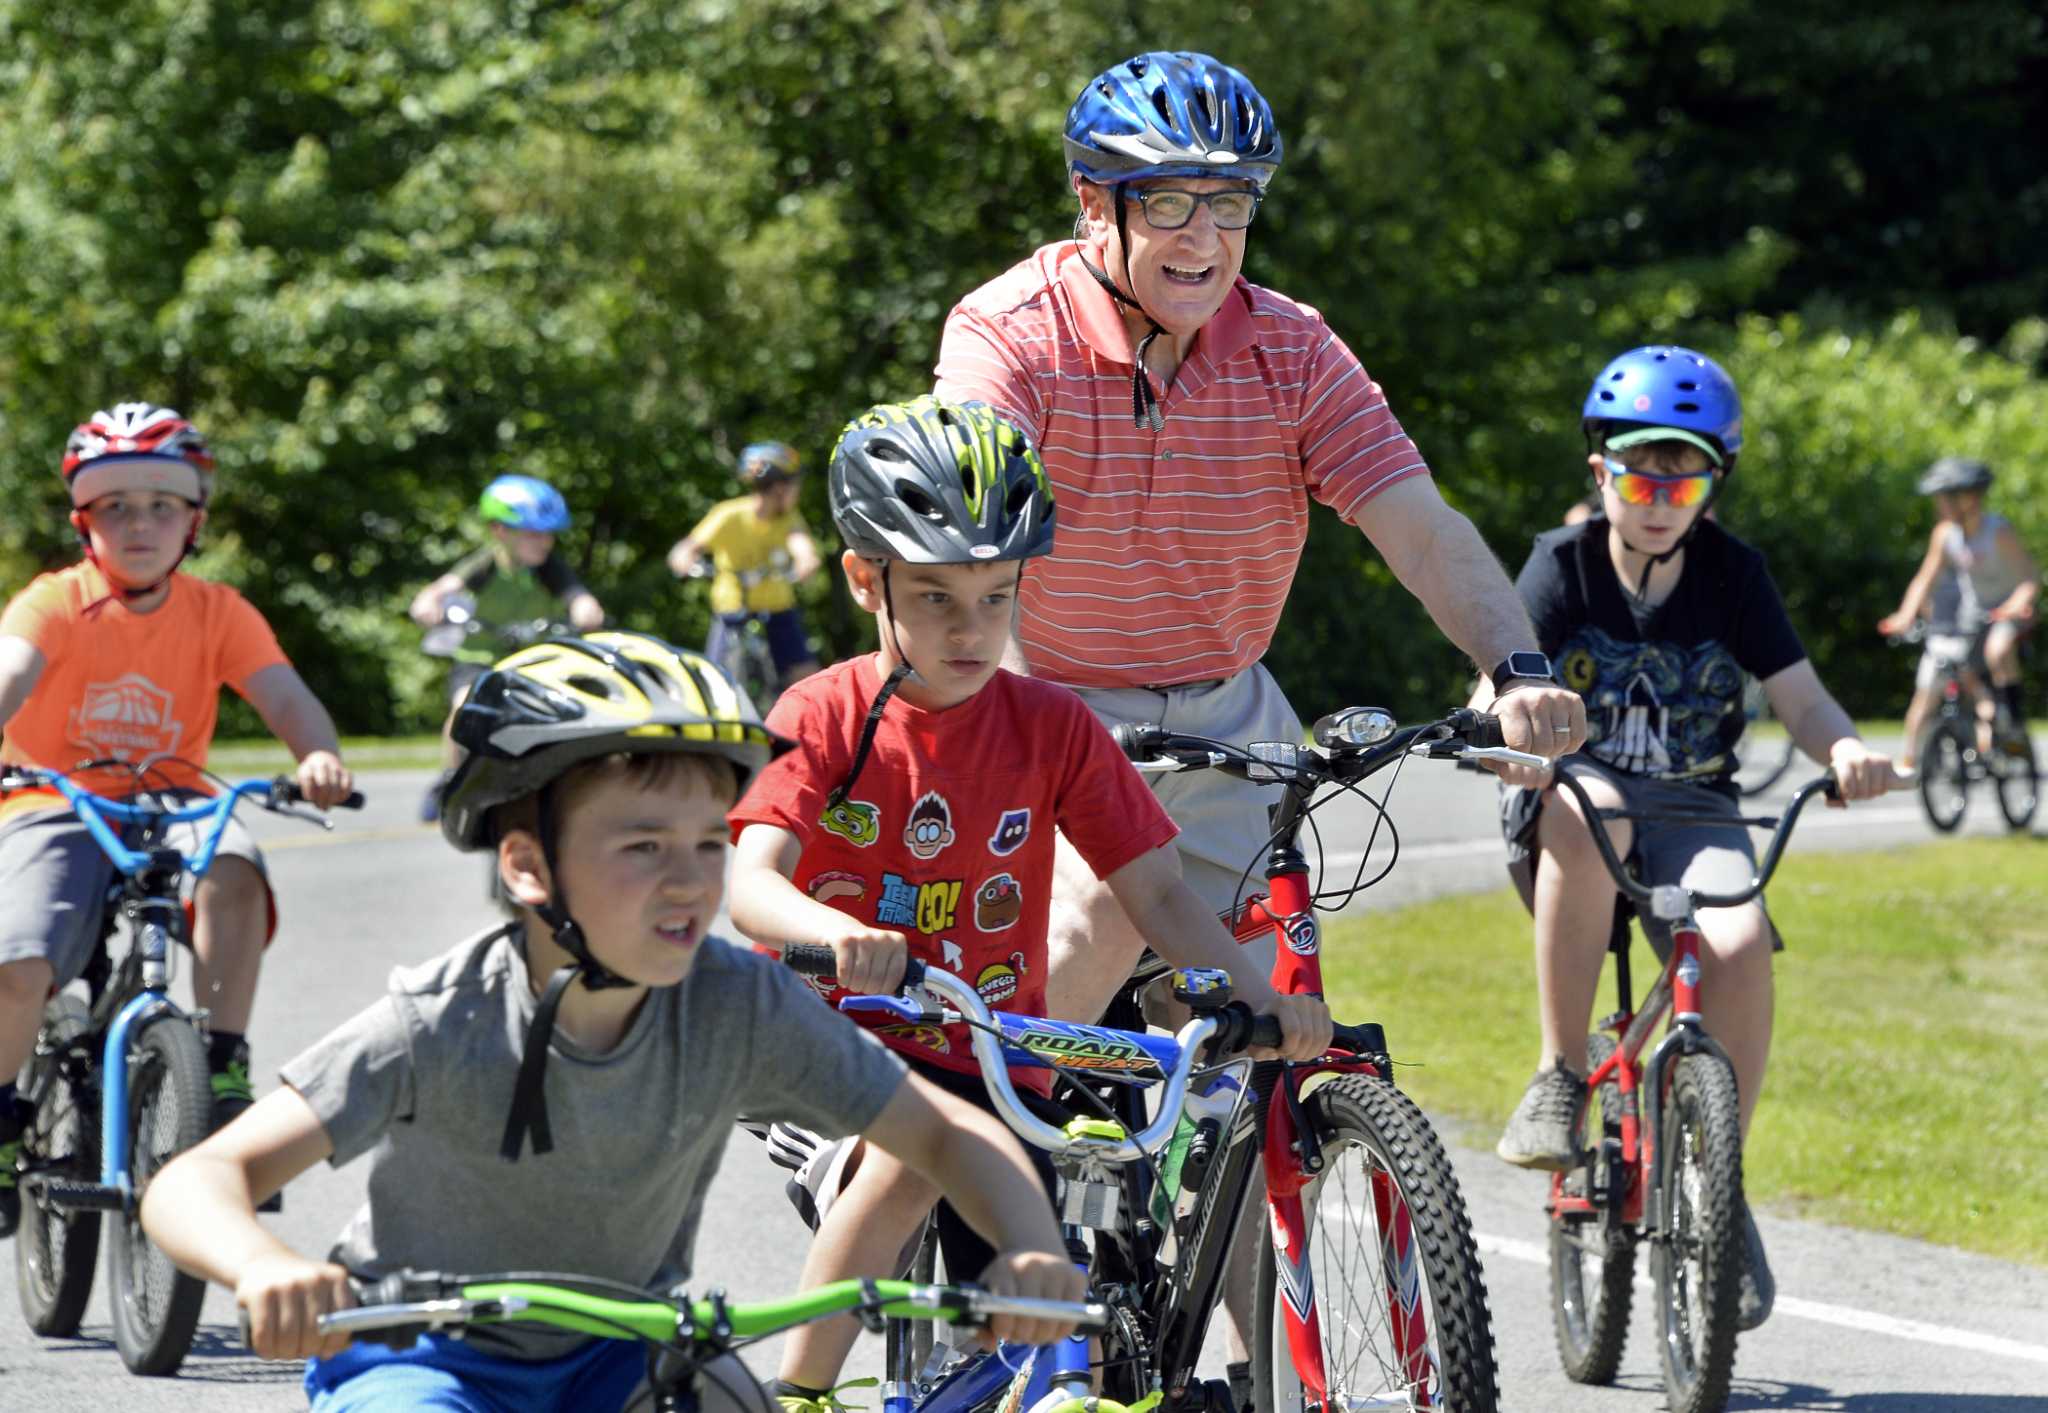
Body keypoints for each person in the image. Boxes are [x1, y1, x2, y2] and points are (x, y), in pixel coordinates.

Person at [930, 49, 1586, 1371]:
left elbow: (1418, 526)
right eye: (1170, 202)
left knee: (1254, 1049)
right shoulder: (1008, 334)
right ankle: (971, 1260)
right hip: (1048, 707)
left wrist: (1515, 667)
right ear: (1094, 204)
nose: (1205, 236)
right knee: (1077, 945)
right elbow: (958, 518)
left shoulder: (1290, 346)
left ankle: (1254, 1373)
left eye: (1230, 204)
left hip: (1232, 712)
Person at [139, 631, 1084, 1410]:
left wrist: (1030, 1245)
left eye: (708, 843)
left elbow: (945, 1131)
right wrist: (262, 1264)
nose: (690, 881)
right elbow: (196, 1180)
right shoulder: (443, 1018)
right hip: (422, 1358)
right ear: (527, 866)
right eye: (642, 846)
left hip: (622, 1359)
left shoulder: (735, 1002)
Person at [724, 396, 1332, 1413]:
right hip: (830, 1043)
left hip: (986, 1051)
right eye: (935, 597)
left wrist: (1257, 996)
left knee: (1060, 1301)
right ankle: (801, 1396)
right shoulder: (819, 711)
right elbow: (749, 885)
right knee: (914, 1159)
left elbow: (1157, 890)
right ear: (864, 580)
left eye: (996, 596)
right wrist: (842, 936)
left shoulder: (1053, 724)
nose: (971, 629)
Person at [1478, 346, 1904, 1331]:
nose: (1660, 502)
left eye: (1685, 481)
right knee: (1597, 807)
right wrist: (1505, 732)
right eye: (1639, 478)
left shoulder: (1735, 574)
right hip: (1573, 799)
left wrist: (1845, 750)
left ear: (1714, 484)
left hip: (1694, 805)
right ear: (1600, 473)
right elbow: (1502, 675)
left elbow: (1801, 698)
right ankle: (1558, 1074)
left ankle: (1719, 1187)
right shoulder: (1561, 563)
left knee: (1739, 938)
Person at [0, 402, 354, 1238]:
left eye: (163, 504)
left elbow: (286, 697)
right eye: (116, 505)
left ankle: (221, 1066)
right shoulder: (56, 601)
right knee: (20, 954)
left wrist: (318, 756)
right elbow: (10, 672)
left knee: (235, 864)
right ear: (84, 521)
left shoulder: (218, 611)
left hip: (172, 798)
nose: (140, 524)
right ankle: (2, 1115)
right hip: (54, 795)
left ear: (193, 521)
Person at [409, 473, 605, 821]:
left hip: (534, 662)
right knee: (463, 707)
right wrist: (428, 601)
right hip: (480, 660)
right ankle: (451, 780)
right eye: (533, 534)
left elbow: (577, 596)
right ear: (499, 530)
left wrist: (586, 608)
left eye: (549, 534)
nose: (545, 542)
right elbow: (445, 586)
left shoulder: (548, 569)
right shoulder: (486, 564)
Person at [1877, 457, 2039, 759]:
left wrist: (2017, 604)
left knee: (1998, 650)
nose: (1940, 505)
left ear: (1969, 498)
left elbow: (2029, 578)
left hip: (2009, 612)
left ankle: (2014, 722)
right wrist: (1905, 614)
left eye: (1945, 497)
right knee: (1958, 667)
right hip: (1973, 615)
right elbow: (1925, 579)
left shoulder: (1998, 532)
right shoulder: (1945, 535)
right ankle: (1979, 728)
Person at [667, 440, 825, 700]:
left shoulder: (788, 519)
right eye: (795, 485)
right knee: (714, 680)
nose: (797, 493)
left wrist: (806, 560)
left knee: (806, 677)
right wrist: (683, 558)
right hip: (732, 610)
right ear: (779, 487)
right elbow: (690, 546)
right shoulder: (728, 514)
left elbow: (801, 545)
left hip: (777, 609)